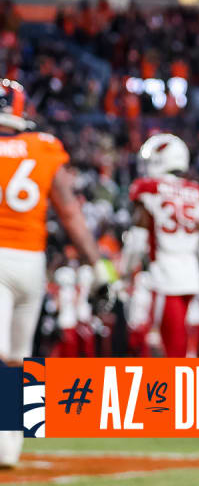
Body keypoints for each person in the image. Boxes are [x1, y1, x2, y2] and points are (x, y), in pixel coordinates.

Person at [0, 79, 116, 468]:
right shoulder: (45, 148)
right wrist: (98, 267)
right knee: (17, 357)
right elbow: (70, 214)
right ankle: (9, 442)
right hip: (29, 263)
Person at [122, 133, 199, 359]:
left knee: (161, 347)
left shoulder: (149, 189)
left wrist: (125, 275)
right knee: (184, 345)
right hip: (192, 277)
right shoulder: (195, 191)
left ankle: (166, 393)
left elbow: (137, 241)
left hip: (164, 277)